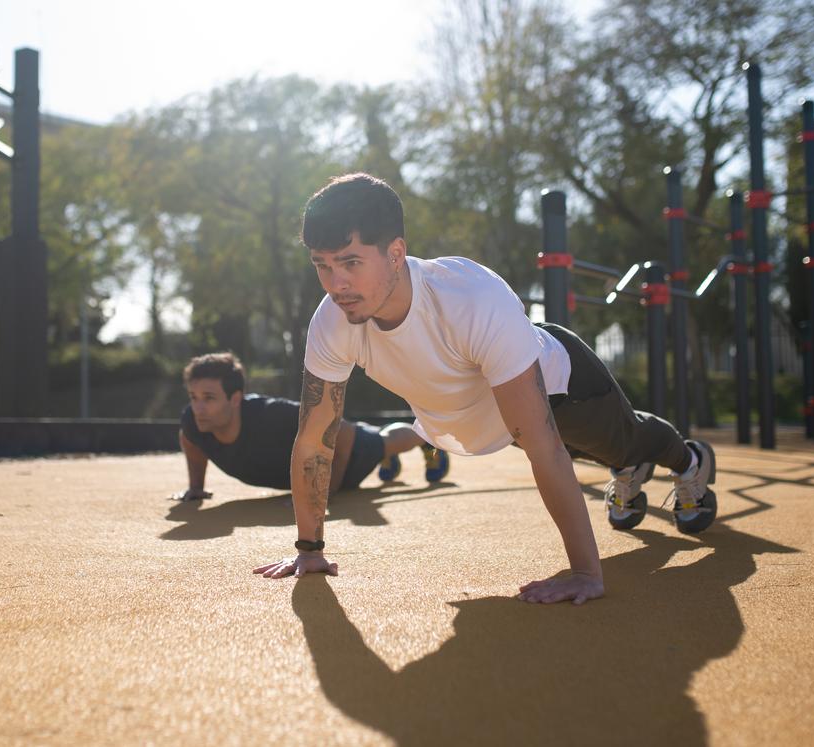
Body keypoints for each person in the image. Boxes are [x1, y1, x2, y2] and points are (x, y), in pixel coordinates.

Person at [253, 173, 718, 606]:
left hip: (562, 387)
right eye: (323, 266)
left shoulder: (468, 298)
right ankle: (629, 467)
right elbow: (315, 440)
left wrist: (584, 572)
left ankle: (689, 461)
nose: (337, 284)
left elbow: (545, 446)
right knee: (596, 452)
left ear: (395, 253)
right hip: (498, 412)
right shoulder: (334, 321)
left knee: (624, 441)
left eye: (351, 262)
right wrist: (309, 549)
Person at [176, 352, 449, 501]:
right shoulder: (193, 422)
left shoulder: (272, 414)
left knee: (380, 441)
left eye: (208, 398)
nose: (198, 408)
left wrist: (329, 489)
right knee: (372, 434)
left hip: (346, 454)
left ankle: (425, 436)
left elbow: (339, 431)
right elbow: (189, 438)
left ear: (235, 398)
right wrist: (196, 487)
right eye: (193, 397)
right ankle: (386, 451)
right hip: (329, 454)